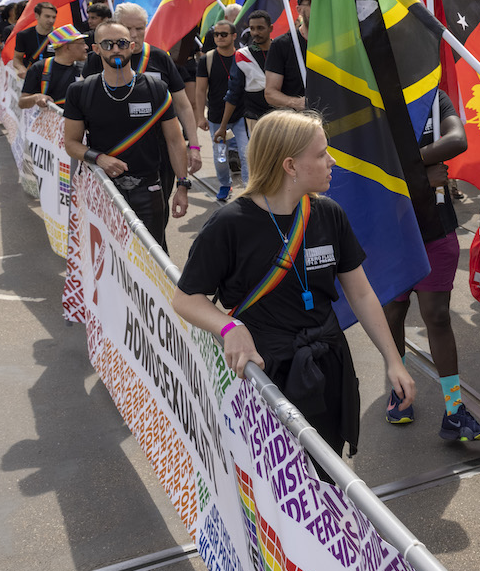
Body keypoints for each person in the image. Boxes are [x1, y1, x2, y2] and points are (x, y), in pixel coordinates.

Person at [173, 110, 417, 465]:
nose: (331, 160)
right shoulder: (230, 224)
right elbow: (185, 298)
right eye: (321, 154)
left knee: (326, 472)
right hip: (267, 375)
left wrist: (393, 360)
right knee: (276, 483)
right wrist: (230, 327)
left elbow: (362, 294)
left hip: (327, 366)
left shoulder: (329, 214)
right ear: (290, 165)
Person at [381, 87, 480, 441]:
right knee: (393, 315)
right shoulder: (371, 97)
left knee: (438, 316)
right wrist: (419, 174)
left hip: (437, 227)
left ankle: (454, 409)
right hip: (391, 231)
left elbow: (458, 140)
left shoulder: (432, 96)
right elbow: (366, 164)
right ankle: (398, 391)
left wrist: (407, 164)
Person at [63, 20, 191, 250]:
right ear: (96, 49)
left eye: (121, 43)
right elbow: (71, 144)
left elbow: (175, 140)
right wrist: (99, 157)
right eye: (108, 44)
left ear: (132, 46)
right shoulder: (81, 91)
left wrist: (182, 186)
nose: (115, 49)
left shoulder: (155, 88)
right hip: (104, 189)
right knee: (108, 255)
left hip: (148, 189)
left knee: (153, 258)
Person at [83, 1, 204, 182]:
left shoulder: (160, 57)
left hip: (158, 150)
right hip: (111, 150)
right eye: (127, 28)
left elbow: (183, 105)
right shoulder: (98, 58)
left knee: (158, 208)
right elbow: (84, 103)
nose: (133, 35)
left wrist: (194, 147)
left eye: (140, 28)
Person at [201, 20, 248, 202]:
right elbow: (200, 90)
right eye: (216, 34)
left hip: (240, 117)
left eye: (224, 34)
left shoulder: (243, 57)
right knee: (221, 157)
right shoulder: (208, 59)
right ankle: (224, 185)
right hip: (216, 118)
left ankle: (247, 190)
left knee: (246, 154)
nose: (219, 37)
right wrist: (199, 116)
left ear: (234, 36)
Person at [216, 10, 273, 134]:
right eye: (252, 28)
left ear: (271, 28)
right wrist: (223, 126)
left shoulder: (281, 51)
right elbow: (233, 92)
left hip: (283, 117)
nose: (255, 33)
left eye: (260, 28)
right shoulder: (243, 56)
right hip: (255, 119)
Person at [19, 24, 88, 110]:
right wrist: (36, 97)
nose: (86, 47)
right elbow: (22, 103)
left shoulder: (86, 68)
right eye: (81, 43)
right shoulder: (39, 68)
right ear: (67, 47)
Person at [265, 0, 312, 111]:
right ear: (299, 10)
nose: (318, 7)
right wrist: (296, 103)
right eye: (311, 3)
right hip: (299, 122)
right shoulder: (282, 44)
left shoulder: (338, 41)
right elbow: (270, 93)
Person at [11, 1, 59, 75]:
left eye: (54, 17)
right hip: (32, 75)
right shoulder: (24, 35)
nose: (51, 20)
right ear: (37, 16)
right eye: (47, 16)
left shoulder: (60, 35)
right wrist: (21, 68)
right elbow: (17, 58)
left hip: (53, 75)